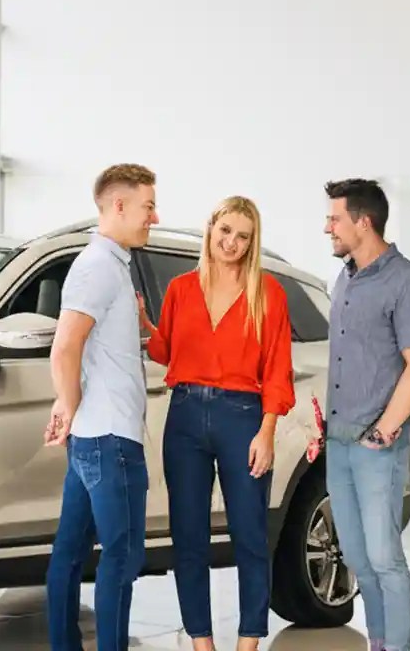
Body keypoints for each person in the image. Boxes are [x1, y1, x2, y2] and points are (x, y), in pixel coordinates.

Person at [141, 195, 294, 651]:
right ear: (211, 229)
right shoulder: (181, 289)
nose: (231, 242)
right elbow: (167, 350)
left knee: (249, 534)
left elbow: (277, 370)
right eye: (225, 230)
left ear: (252, 243)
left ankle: (248, 641)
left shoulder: (268, 294)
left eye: (242, 236)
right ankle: (201, 643)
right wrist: (145, 324)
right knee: (189, 536)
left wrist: (266, 432)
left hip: (243, 418)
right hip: (185, 415)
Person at [44, 162, 159, 651]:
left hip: (98, 436)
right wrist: (67, 405)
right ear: (118, 205)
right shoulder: (96, 266)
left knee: (70, 552)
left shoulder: (114, 265)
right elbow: (65, 347)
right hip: (108, 439)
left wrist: (142, 324)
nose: (154, 216)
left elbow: (102, 348)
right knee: (123, 553)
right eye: (148, 206)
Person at [322, 178, 410, 651]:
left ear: (363, 222)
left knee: (386, 557)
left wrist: (384, 433)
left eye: (335, 219)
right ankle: (379, 641)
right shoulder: (344, 278)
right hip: (337, 443)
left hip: (377, 447)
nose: (327, 227)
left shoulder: (407, 282)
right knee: (355, 556)